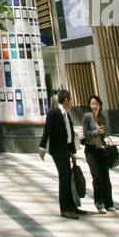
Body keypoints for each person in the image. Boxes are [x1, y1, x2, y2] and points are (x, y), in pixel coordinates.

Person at [39, 88, 84, 218]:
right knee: (64, 179)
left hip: (66, 149)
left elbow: (69, 134)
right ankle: (64, 209)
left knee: (68, 178)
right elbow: (47, 131)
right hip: (58, 151)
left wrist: (73, 153)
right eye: (71, 100)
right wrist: (42, 148)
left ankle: (72, 206)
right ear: (66, 100)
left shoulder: (66, 113)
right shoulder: (54, 113)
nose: (72, 103)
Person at [82, 95, 116, 213]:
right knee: (97, 177)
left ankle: (109, 203)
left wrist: (103, 131)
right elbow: (85, 133)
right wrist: (96, 131)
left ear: (100, 105)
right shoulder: (87, 117)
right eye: (92, 104)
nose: (94, 106)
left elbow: (105, 134)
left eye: (96, 104)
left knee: (106, 177)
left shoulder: (102, 117)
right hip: (91, 150)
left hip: (102, 149)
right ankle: (99, 203)